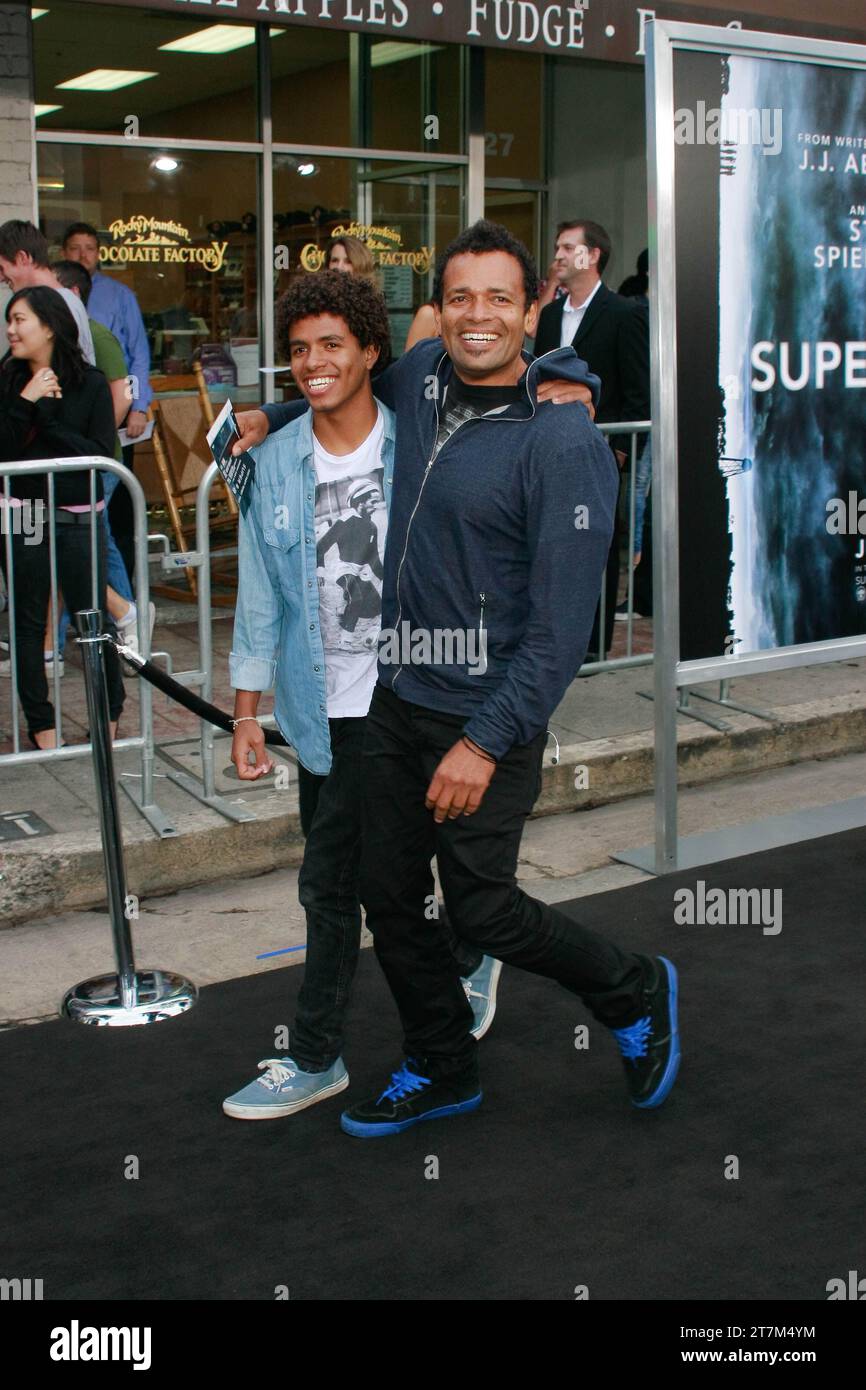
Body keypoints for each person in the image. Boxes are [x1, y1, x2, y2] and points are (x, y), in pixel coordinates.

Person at [235, 220, 680, 1139]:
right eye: (462, 297)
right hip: (400, 701)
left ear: (533, 309)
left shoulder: (561, 439)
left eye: (501, 298)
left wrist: (482, 743)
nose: (479, 316)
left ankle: (633, 988)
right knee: (388, 895)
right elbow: (341, 384)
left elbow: (562, 634)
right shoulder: (423, 376)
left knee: (485, 908)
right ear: (440, 308)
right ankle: (443, 1063)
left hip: (491, 713)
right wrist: (265, 417)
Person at [222, 271, 498, 1122]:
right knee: (331, 882)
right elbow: (261, 592)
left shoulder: (419, 432)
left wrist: (573, 388)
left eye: (333, 345)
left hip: (417, 691)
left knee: (416, 865)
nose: (313, 364)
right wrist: (245, 709)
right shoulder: (269, 462)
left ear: (372, 352)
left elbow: (515, 354)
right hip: (323, 709)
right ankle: (316, 1056)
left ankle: (469, 948)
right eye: (299, 350)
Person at [0, 287, 125, 747]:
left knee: (92, 618)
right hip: (22, 513)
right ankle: (40, 724)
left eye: (20, 320)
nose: (11, 330)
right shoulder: (8, 378)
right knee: (28, 623)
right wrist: (26, 401)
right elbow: (3, 449)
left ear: (49, 326)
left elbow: (97, 452)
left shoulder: (89, 382)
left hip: (77, 514)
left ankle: (108, 713)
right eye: (9, 321)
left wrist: (49, 423)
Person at [533, 220, 650, 661]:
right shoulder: (548, 316)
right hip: (547, 456)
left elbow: (639, 395)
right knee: (552, 549)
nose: (558, 255)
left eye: (568, 247)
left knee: (596, 551)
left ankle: (594, 650)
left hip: (598, 458)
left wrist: (615, 453)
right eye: (557, 246)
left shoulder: (624, 314)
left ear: (593, 254)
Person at [52, 260, 155, 662]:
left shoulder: (98, 338)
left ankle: (117, 624)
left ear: (71, 296)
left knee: (82, 544)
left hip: (96, 461)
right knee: (94, 543)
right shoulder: (55, 345)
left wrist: (89, 445)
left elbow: (123, 391)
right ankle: (118, 627)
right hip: (75, 463)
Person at [62, 221, 153, 585]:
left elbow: (138, 356)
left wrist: (139, 406)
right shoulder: (60, 296)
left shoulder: (119, 295)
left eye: (90, 247)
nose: (84, 255)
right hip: (78, 422)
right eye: (75, 248)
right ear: (64, 252)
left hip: (117, 418)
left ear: (99, 253)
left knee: (117, 514)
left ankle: (122, 593)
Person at [0, 220, 94, 365]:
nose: (1, 278)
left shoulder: (61, 303)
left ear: (22, 258)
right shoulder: (59, 299)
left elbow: (68, 373)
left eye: (1, 268)